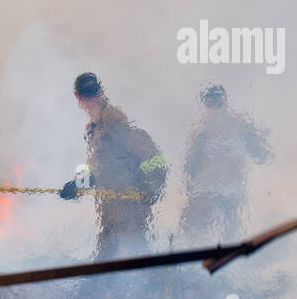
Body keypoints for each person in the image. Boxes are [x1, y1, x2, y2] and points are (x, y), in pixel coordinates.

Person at [59, 72, 166, 259]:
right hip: (111, 209)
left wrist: (147, 190)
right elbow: (98, 167)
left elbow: (156, 161)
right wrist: (78, 184)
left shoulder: (115, 124)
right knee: (114, 263)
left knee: (132, 259)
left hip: (130, 209)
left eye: (90, 93)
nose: (89, 100)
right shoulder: (95, 128)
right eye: (87, 94)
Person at [178, 84, 272, 244]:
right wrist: (190, 186)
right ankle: (195, 253)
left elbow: (261, 153)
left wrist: (265, 149)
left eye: (216, 102)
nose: (213, 107)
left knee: (224, 228)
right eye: (209, 103)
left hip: (225, 189)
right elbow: (190, 163)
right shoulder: (202, 130)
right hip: (210, 189)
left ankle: (225, 253)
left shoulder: (237, 125)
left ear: (223, 103)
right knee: (199, 228)